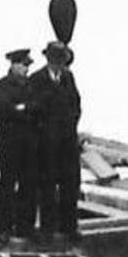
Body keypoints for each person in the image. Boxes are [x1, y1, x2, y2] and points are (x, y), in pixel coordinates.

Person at [30, 40, 82, 244]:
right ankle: (47, 230)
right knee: (47, 186)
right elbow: (33, 110)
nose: (59, 66)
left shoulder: (68, 78)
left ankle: (69, 227)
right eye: (56, 61)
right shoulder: (37, 80)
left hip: (67, 142)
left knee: (70, 185)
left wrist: (71, 125)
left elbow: (76, 105)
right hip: (46, 144)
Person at [0, 48, 38, 244]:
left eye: (28, 65)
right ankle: (4, 229)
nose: (27, 69)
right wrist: (24, 109)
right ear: (14, 65)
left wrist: (20, 109)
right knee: (8, 186)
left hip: (29, 143)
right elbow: (3, 111)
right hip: (10, 143)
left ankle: (25, 227)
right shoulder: (1, 86)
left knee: (28, 185)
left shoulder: (31, 86)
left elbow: (37, 108)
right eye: (24, 65)